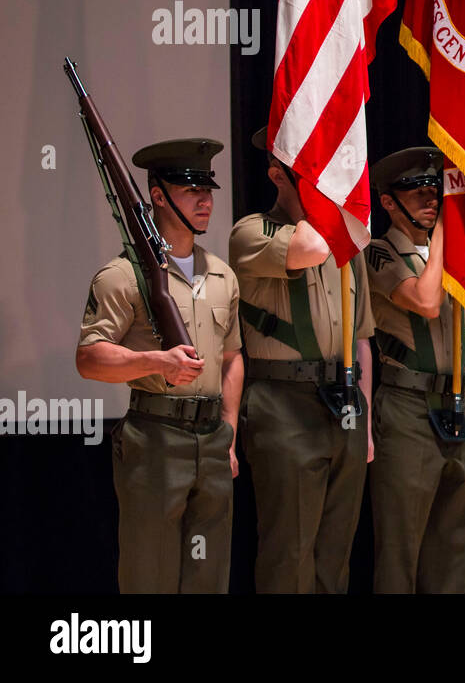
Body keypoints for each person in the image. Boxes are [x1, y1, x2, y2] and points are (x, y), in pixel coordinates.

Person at [76, 138, 243, 593]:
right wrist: (154, 360)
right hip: (154, 437)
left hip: (211, 441)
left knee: (209, 577)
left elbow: (232, 358)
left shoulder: (223, 275)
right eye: (191, 190)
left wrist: (229, 434)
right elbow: (90, 358)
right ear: (157, 195)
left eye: (208, 189)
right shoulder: (123, 274)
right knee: (149, 575)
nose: (206, 199)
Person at [229, 126, 375, 593]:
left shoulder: (346, 247)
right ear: (278, 175)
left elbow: (363, 341)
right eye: (314, 171)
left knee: (335, 556)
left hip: (345, 403)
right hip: (283, 404)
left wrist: (366, 425)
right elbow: (308, 247)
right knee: (288, 554)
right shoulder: (252, 231)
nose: (330, 180)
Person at [365, 146, 465, 593]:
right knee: (401, 550)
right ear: (390, 202)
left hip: (454, 407)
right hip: (407, 407)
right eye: (416, 192)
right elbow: (427, 301)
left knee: (452, 549)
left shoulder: (447, 257)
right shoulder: (379, 254)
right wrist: (445, 238)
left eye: (434, 190)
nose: (431, 199)